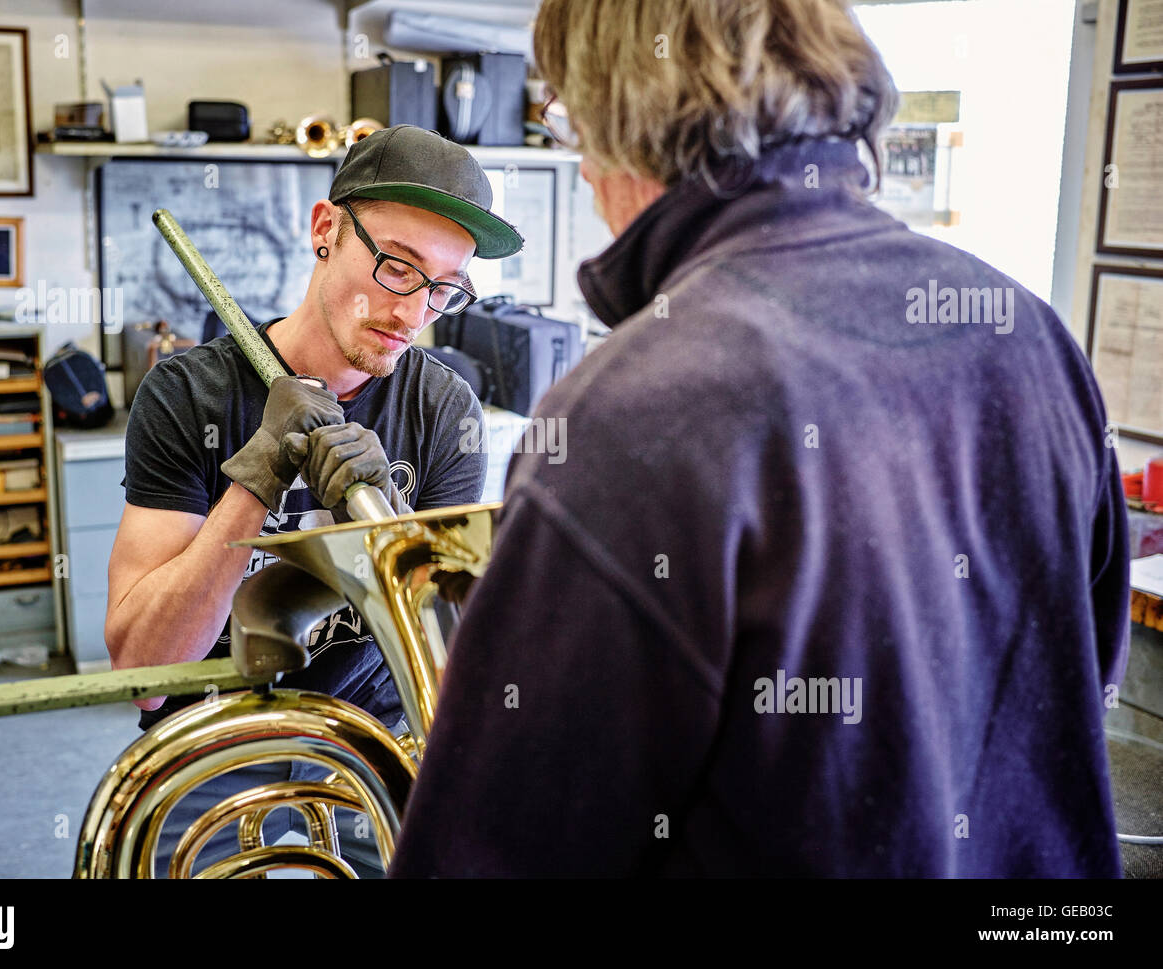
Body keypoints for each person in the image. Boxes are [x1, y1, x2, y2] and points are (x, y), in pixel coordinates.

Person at [388, 0, 1130, 877]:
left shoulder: (631, 411)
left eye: (569, 123)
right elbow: (1077, 688)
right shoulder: (1029, 338)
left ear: (621, 116)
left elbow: (490, 855)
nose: (581, 167)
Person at [104, 125, 523, 877]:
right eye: (397, 267)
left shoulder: (444, 410)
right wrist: (257, 478)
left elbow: (443, 652)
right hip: (213, 742)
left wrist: (389, 533)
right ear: (326, 230)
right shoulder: (186, 393)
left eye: (443, 289)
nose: (411, 312)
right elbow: (143, 667)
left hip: (369, 740)